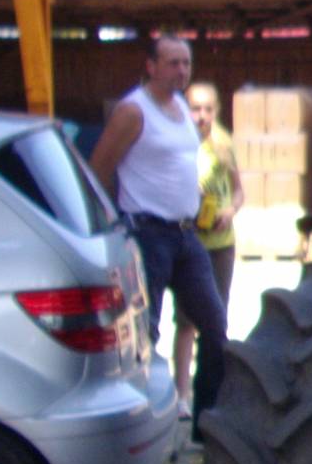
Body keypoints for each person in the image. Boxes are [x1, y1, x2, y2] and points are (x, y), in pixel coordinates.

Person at [88, 35, 228, 430]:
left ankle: (206, 422)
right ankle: (145, 426)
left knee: (215, 326)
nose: (181, 71)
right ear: (151, 66)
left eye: (186, 63)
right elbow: (98, 170)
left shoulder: (182, 107)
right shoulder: (133, 111)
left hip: (186, 234)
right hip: (148, 232)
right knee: (145, 333)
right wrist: (110, 223)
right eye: (172, 63)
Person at [172, 82, 241, 419]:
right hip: (191, 242)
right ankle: (181, 395)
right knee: (186, 321)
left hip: (222, 245)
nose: (201, 116)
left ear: (216, 111)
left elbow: (239, 192)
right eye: (195, 108)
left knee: (217, 321)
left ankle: (215, 392)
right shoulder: (178, 145)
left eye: (207, 109)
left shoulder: (224, 144)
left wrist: (230, 211)